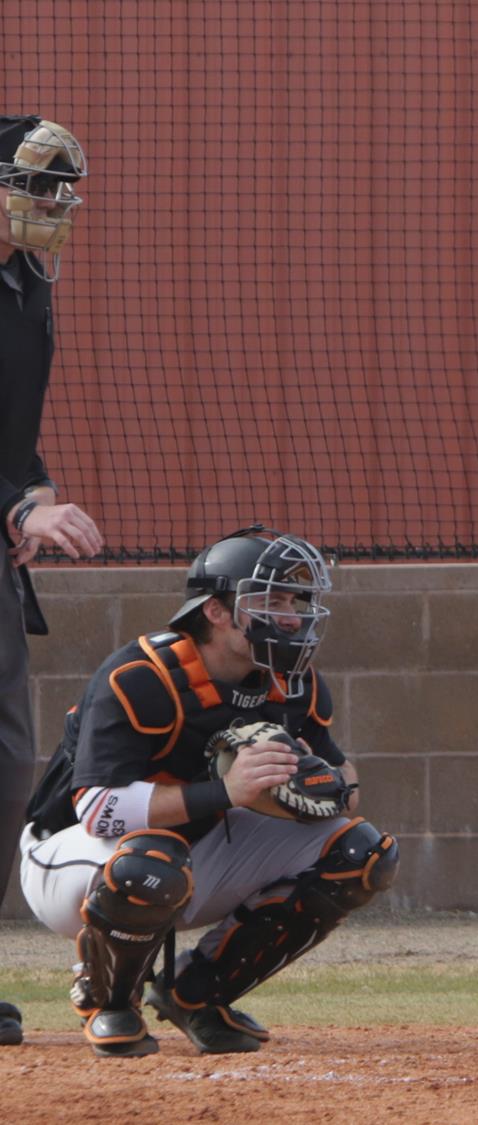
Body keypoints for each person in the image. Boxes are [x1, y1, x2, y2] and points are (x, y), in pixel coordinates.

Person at [16, 527, 397, 1057]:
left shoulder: (293, 680)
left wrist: (323, 789)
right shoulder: (142, 675)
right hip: (71, 856)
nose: (291, 617)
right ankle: (110, 1001)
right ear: (216, 610)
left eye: (295, 602)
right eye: (271, 601)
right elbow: (98, 809)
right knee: (151, 859)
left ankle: (197, 994)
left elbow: (341, 776)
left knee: (362, 852)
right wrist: (227, 791)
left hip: (196, 850)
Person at [0, 115, 104, 1050]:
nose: (54, 203)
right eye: (36, 184)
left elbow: (12, 433)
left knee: (6, 760)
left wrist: (32, 491)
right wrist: (15, 509)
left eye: (61, 188)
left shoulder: (28, 285)